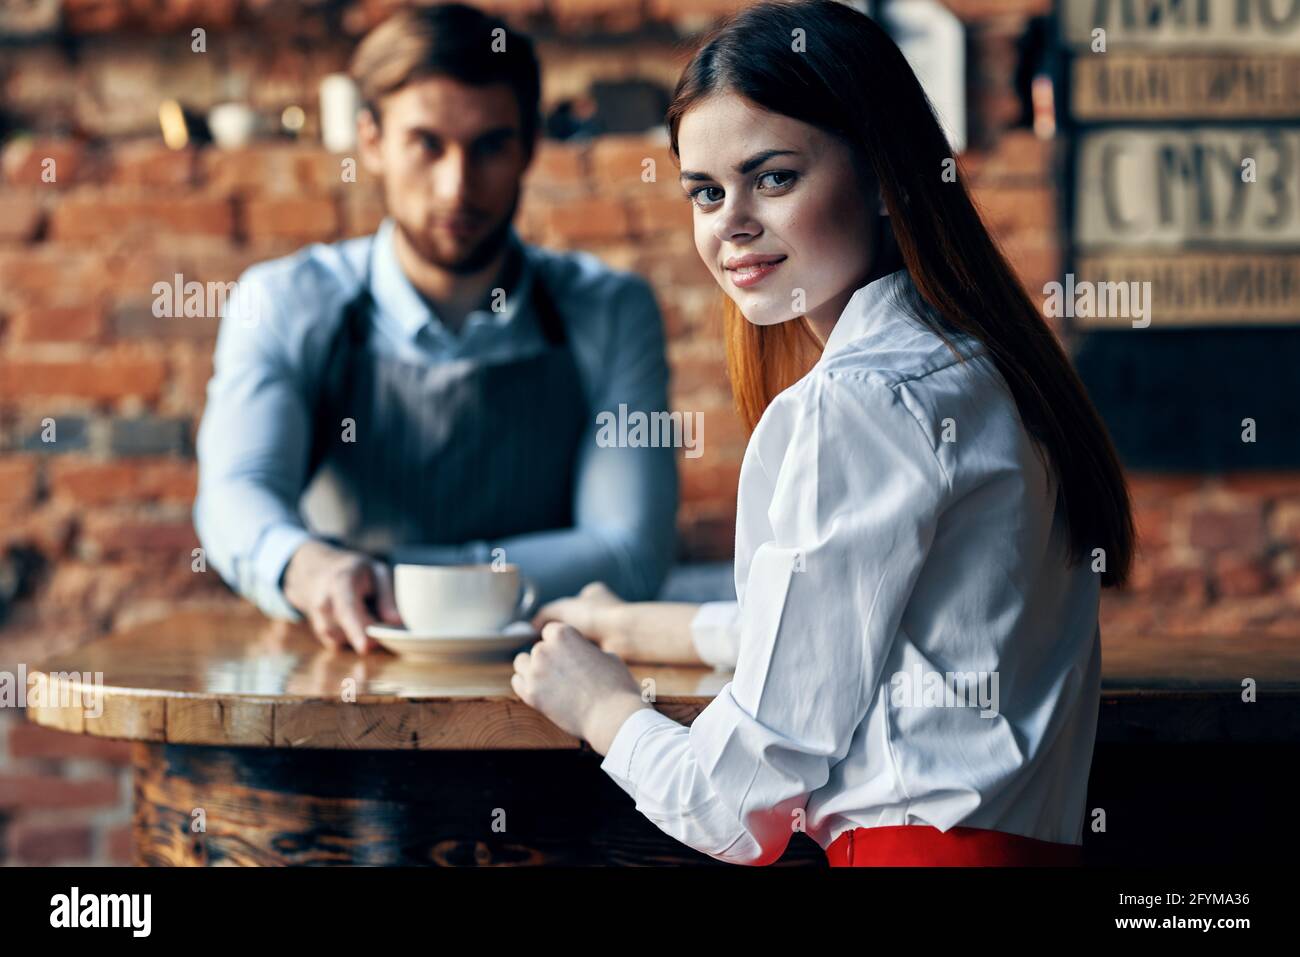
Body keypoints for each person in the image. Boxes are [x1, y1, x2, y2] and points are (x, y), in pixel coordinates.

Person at [513, 0, 1135, 867]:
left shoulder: (859, 403)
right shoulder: (983, 367)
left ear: (884, 176)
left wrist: (602, 708)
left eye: (772, 178)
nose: (730, 221)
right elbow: (850, 629)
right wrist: (637, 625)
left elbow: (732, 811)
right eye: (704, 191)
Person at [193, 3, 678, 653]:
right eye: (427, 144)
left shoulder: (611, 309)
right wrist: (307, 566)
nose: (457, 188)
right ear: (371, 143)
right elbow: (235, 490)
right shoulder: (286, 301)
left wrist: (395, 578)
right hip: (342, 680)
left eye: (490, 147)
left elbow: (629, 548)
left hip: (553, 701)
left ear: (529, 146)